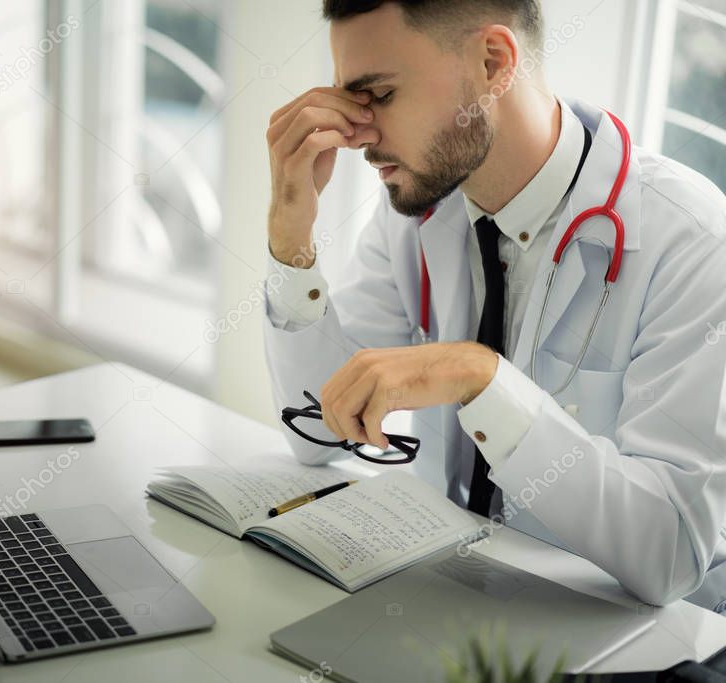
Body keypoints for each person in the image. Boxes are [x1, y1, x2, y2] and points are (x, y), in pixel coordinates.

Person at [263, 0, 726, 608]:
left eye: (379, 94)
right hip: (455, 606)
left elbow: (672, 555)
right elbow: (318, 435)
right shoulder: (419, 209)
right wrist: (291, 237)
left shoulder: (694, 240)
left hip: (633, 641)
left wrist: (482, 379)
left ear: (492, 62)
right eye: (351, 103)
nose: (361, 134)